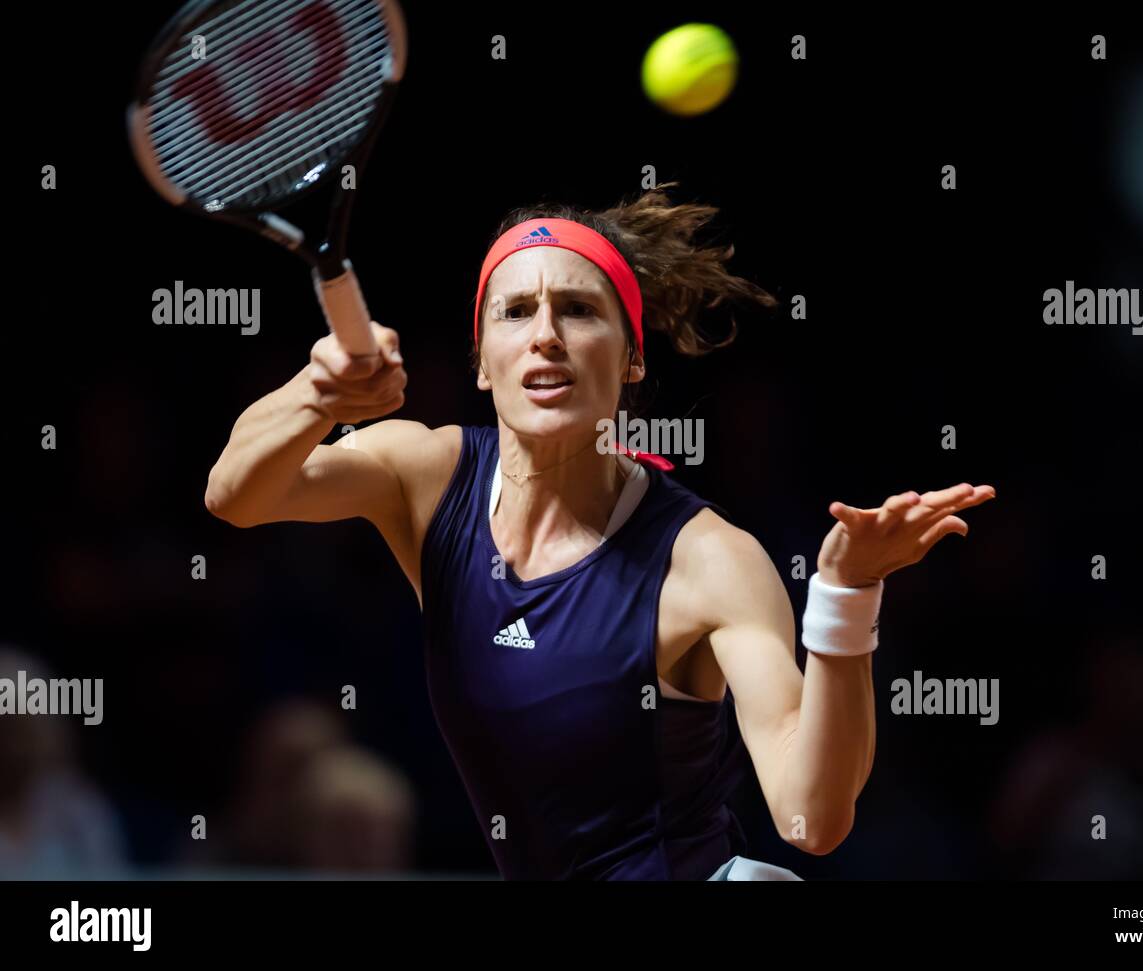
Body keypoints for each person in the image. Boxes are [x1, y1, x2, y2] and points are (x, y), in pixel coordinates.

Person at [204, 183, 995, 879]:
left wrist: (847, 597)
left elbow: (810, 820)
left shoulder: (709, 562)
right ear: (483, 361)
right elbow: (236, 493)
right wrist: (320, 393)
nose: (545, 333)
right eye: (515, 312)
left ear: (631, 358)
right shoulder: (425, 477)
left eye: (578, 309)